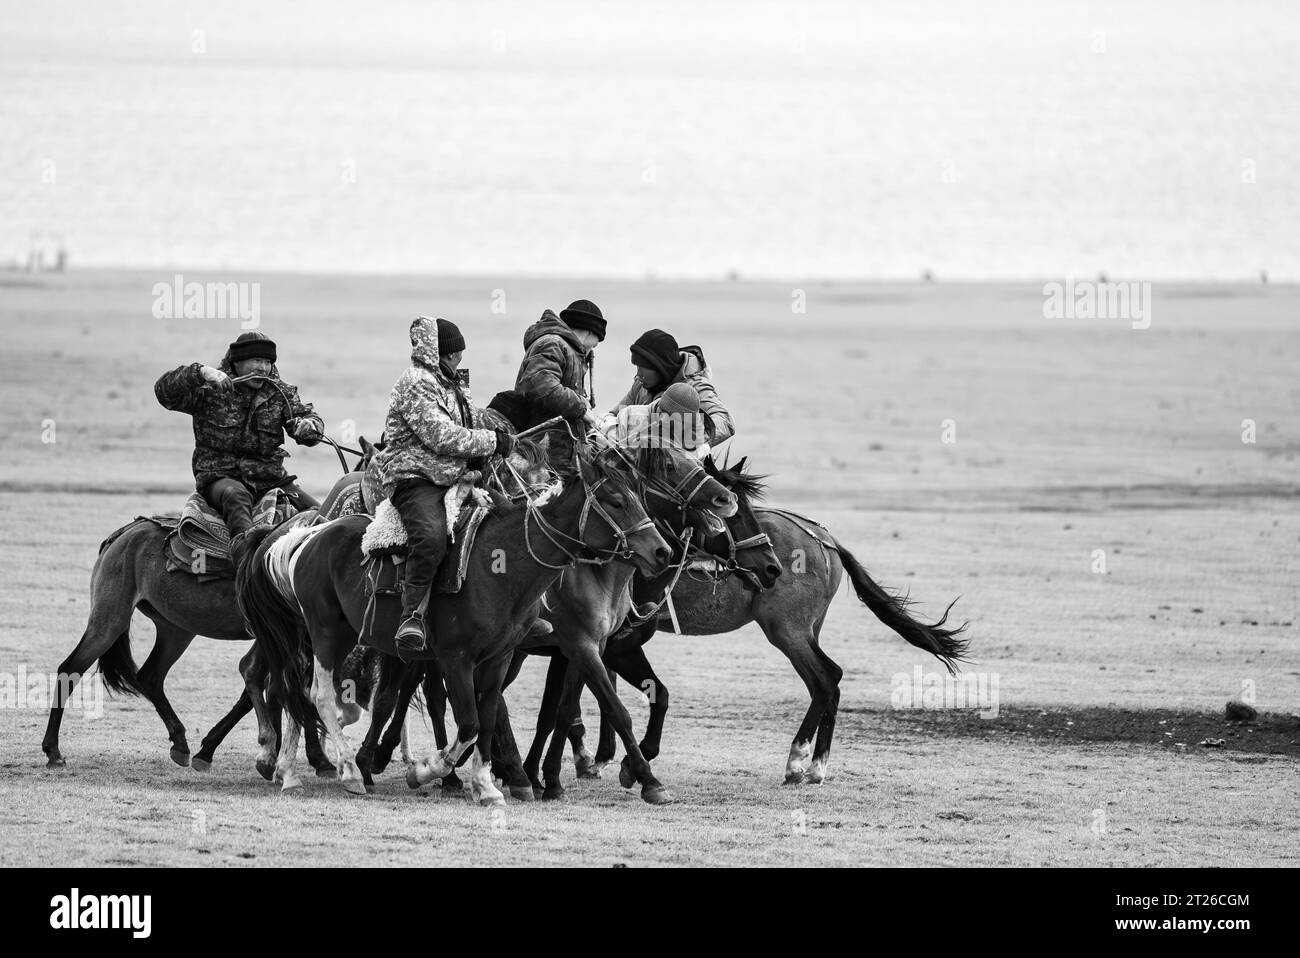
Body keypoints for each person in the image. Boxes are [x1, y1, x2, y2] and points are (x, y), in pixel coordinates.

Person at [374, 316, 515, 658]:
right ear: (436, 352)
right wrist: (492, 441)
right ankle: (412, 618)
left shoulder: (448, 382)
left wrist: (496, 433)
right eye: (453, 354)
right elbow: (440, 435)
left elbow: (465, 425)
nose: (458, 359)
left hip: (454, 478)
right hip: (415, 479)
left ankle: (515, 614)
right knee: (432, 536)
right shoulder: (415, 382)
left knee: (510, 519)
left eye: (460, 354)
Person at [154, 331, 323, 565]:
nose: (262, 368)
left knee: (322, 517)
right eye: (256, 361)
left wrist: (309, 427)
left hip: (271, 479)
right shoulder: (208, 390)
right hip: (220, 477)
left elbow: (307, 419)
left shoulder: (280, 392)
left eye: (267, 362)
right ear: (238, 362)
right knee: (236, 496)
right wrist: (201, 372)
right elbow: (164, 393)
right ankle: (246, 567)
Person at [497, 299, 606, 475]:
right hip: (540, 456)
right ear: (590, 330)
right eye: (598, 339)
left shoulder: (570, 350)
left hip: (556, 453)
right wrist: (581, 407)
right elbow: (539, 384)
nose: (597, 345)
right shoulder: (553, 343)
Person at [611, 328, 734, 446]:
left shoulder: (694, 387)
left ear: (661, 368)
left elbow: (726, 422)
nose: (638, 375)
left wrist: (683, 439)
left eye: (643, 369)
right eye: (637, 368)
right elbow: (614, 415)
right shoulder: (640, 385)